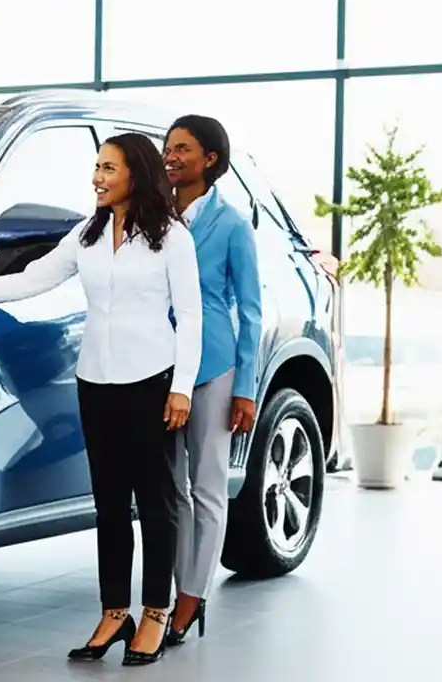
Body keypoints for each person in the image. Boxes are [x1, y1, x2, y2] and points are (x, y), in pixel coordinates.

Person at [0, 133, 202, 666]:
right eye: (96, 167)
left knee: (155, 503)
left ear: (136, 174)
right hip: (96, 381)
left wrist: (182, 387)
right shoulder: (88, 233)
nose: (97, 177)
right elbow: (35, 278)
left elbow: (192, 317)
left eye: (108, 168)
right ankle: (113, 612)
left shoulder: (172, 238)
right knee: (108, 503)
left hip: (152, 380)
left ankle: (154, 612)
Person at [161, 115, 261, 646]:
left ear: (210, 160)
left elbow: (251, 310)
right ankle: (171, 592)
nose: (170, 156)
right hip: (158, 367)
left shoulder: (231, 226)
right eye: (167, 147)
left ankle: (192, 596)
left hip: (213, 368)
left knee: (206, 487)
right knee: (168, 490)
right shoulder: (153, 218)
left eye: (182, 148)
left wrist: (245, 386)